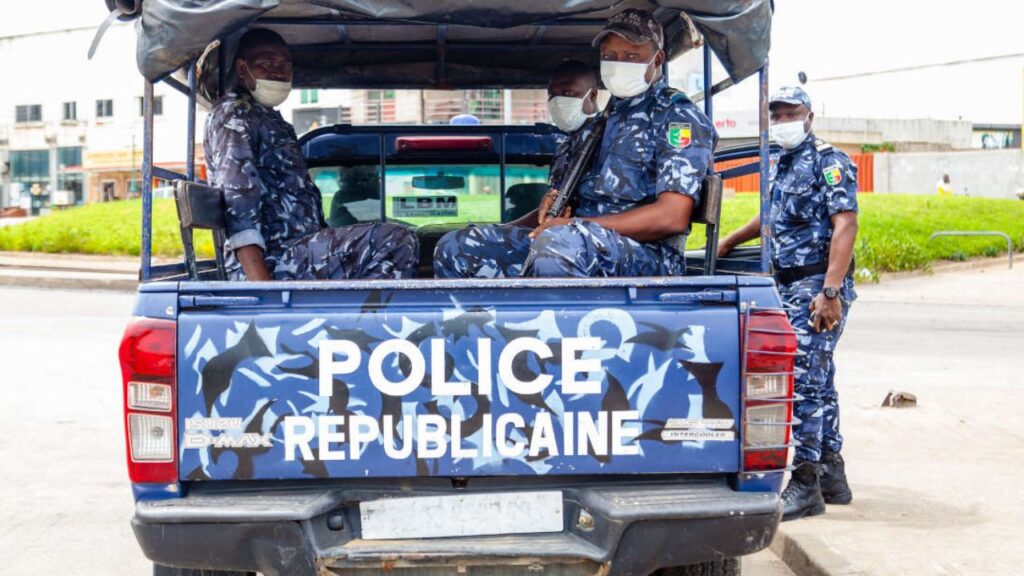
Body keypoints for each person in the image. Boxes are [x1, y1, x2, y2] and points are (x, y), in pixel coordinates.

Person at [433, 9, 716, 278]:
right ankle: (482, 326)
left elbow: (672, 217)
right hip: (575, 242)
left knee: (559, 244)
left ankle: (548, 328)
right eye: (611, 56)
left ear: (656, 61)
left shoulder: (677, 116)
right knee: (458, 245)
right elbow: (565, 206)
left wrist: (574, 226)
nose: (620, 65)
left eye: (632, 56)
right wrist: (554, 206)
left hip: (649, 256)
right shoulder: (598, 125)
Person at [717, 87, 858, 521]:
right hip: (790, 286)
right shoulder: (783, 163)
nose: (782, 121)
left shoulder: (829, 161)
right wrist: (729, 242)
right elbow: (770, 216)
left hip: (818, 286)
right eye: (775, 115)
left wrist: (830, 292)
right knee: (820, 378)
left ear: (810, 116)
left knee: (803, 385)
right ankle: (833, 474)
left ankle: (805, 483)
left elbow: (846, 224)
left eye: (790, 113)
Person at [205, 28, 419, 281]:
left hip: (298, 252)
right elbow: (238, 203)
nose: (279, 71)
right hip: (272, 260)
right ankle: (371, 318)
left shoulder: (274, 121)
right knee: (393, 239)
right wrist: (262, 289)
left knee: (395, 234)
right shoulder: (234, 116)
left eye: (286, 65)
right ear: (242, 70)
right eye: (267, 63)